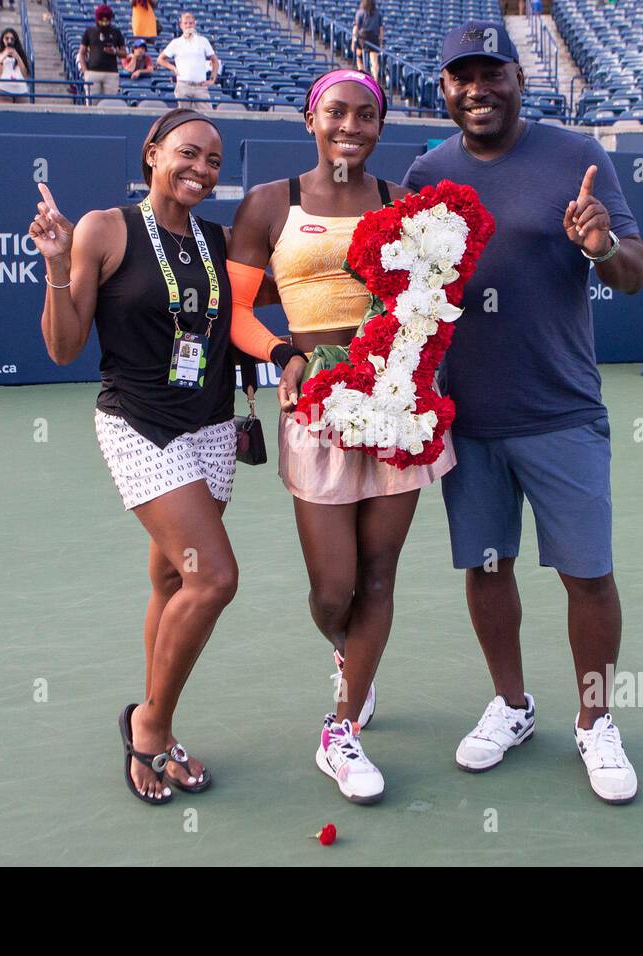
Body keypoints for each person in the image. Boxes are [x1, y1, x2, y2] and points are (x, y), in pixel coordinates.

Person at [29, 109, 308, 805]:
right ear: (153, 154)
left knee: (170, 584)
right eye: (188, 153)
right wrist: (58, 265)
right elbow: (64, 347)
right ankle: (147, 726)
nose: (202, 169)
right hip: (140, 427)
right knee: (211, 579)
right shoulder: (105, 228)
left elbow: (287, 292)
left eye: (214, 161)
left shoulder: (222, 242)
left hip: (210, 428)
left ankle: (161, 719)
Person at [403, 22, 643, 804]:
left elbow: (635, 275)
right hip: (466, 419)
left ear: (518, 79)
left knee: (589, 576)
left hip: (561, 411)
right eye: (461, 76)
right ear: (444, 88)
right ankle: (511, 706)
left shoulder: (578, 155)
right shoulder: (425, 171)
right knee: (486, 567)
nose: (477, 88)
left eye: (492, 73)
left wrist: (601, 244)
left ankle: (596, 722)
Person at [227, 70, 452, 806]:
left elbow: (429, 296)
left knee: (380, 576)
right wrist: (283, 354)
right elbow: (236, 315)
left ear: (380, 127)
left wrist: (413, 355)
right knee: (335, 588)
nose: (351, 125)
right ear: (310, 120)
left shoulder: (404, 204)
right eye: (336, 112)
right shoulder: (269, 204)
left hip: (397, 400)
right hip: (317, 401)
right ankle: (348, 652)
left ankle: (341, 726)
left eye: (366, 115)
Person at [159, 12, 219, 108]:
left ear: (194, 24)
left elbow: (215, 61)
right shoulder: (176, 43)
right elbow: (160, 59)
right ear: (181, 25)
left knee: (206, 115)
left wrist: (212, 79)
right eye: (186, 23)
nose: (188, 25)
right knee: (183, 117)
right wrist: (173, 68)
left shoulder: (203, 41)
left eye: (190, 23)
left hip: (200, 86)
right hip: (183, 85)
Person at [80, 4, 125, 105]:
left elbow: (124, 53)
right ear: (97, 19)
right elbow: (82, 53)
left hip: (111, 74)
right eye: (102, 21)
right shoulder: (89, 31)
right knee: (92, 105)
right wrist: (85, 71)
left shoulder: (116, 32)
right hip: (92, 73)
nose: (104, 23)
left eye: (107, 21)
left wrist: (115, 51)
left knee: (110, 105)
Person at [0, 29, 31, 105]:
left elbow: (26, 75)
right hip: (2, 90)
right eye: (6, 38)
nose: (9, 41)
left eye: (12, 39)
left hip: (21, 91)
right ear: (2, 39)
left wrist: (17, 57)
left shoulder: (21, 55)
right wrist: (3, 57)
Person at [352, 0, 383, 80]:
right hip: (374, 38)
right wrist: (381, 42)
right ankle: (375, 79)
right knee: (374, 60)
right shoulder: (378, 13)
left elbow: (356, 28)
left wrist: (353, 42)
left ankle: (361, 75)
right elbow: (381, 29)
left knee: (359, 57)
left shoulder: (360, 12)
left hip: (362, 37)